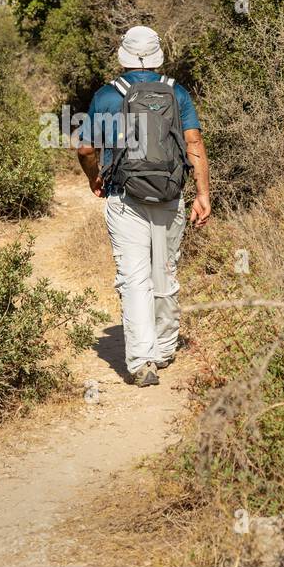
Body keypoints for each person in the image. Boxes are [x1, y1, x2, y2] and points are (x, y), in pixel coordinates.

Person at [75, 25, 211, 387]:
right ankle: (166, 349)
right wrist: (202, 194)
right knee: (164, 272)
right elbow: (193, 142)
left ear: (123, 55)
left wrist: (94, 178)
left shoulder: (107, 95)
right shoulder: (175, 92)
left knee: (134, 279)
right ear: (156, 56)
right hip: (169, 195)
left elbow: (86, 149)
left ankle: (142, 362)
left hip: (124, 197)